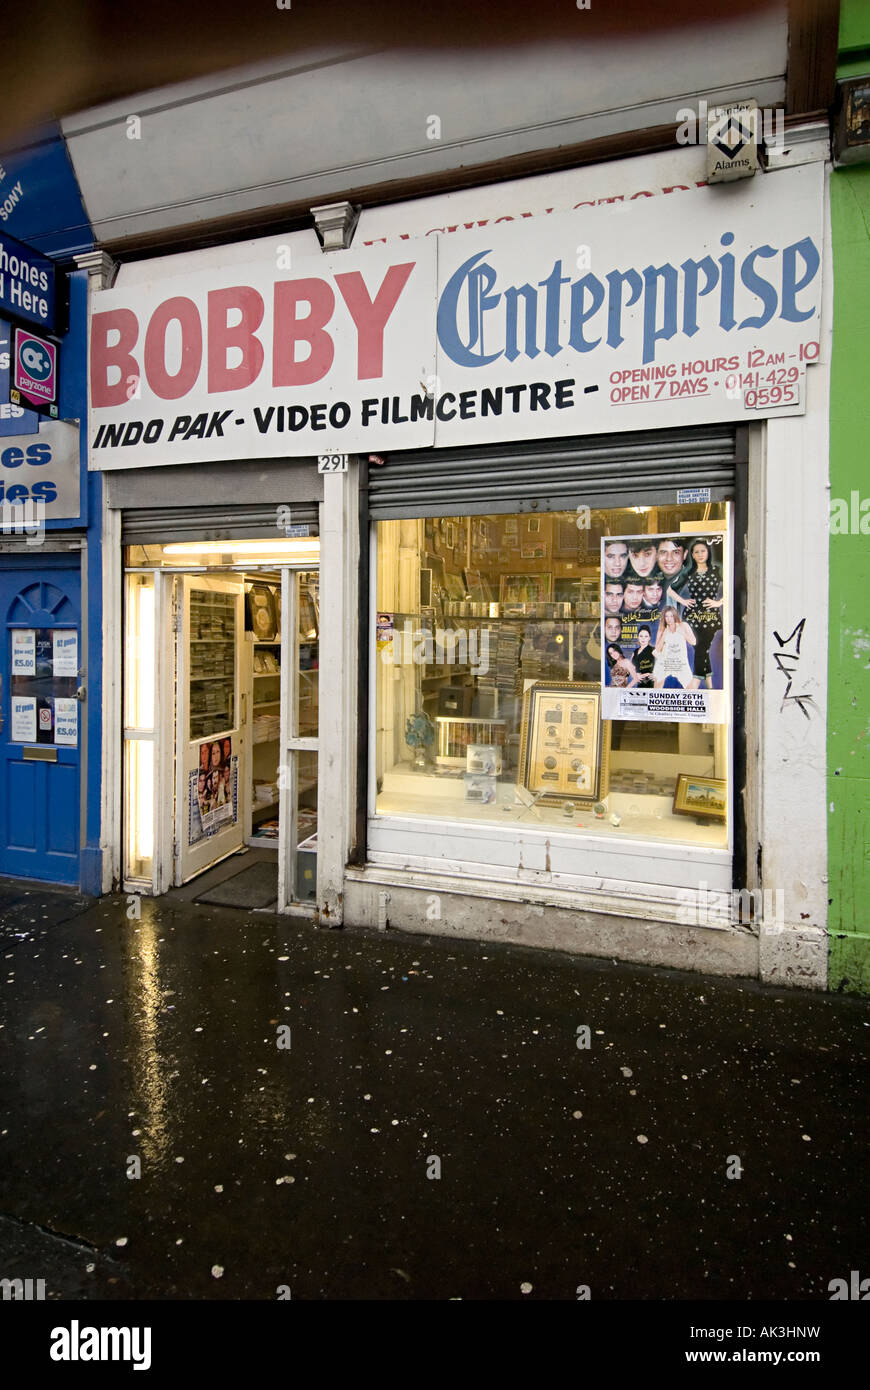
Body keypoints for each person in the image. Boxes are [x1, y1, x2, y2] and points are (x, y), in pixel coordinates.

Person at [670, 539, 724, 687]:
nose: (700, 554)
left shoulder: (716, 570)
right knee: (702, 650)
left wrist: (718, 602)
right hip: (692, 617)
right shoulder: (689, 572)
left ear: (708, 552)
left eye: (703, 551)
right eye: (696, 552)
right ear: (692, 555)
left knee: (702, 648)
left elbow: (732, 586)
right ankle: (710, 687)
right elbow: (670, 589)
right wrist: (683, 601)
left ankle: (693, 685)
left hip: (710, 617)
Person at [653, 606, 697, 689]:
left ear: (675, 616)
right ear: (664, 617)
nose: (669, 619)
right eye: (666, 616)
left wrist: (682, 633)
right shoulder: (662, 629)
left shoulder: (683, 625)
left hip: (680, 662)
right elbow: (657, 650)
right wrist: (664, 635)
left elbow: (693, 642)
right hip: (665, 662)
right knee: (657, 686)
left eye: (671, 616)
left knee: (691, 689)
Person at [657, 538, 690, 606]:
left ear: (685, 554)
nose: (669, 558)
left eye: (676, 552)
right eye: (663, 552)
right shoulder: (650, 581)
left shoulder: (693, 581)